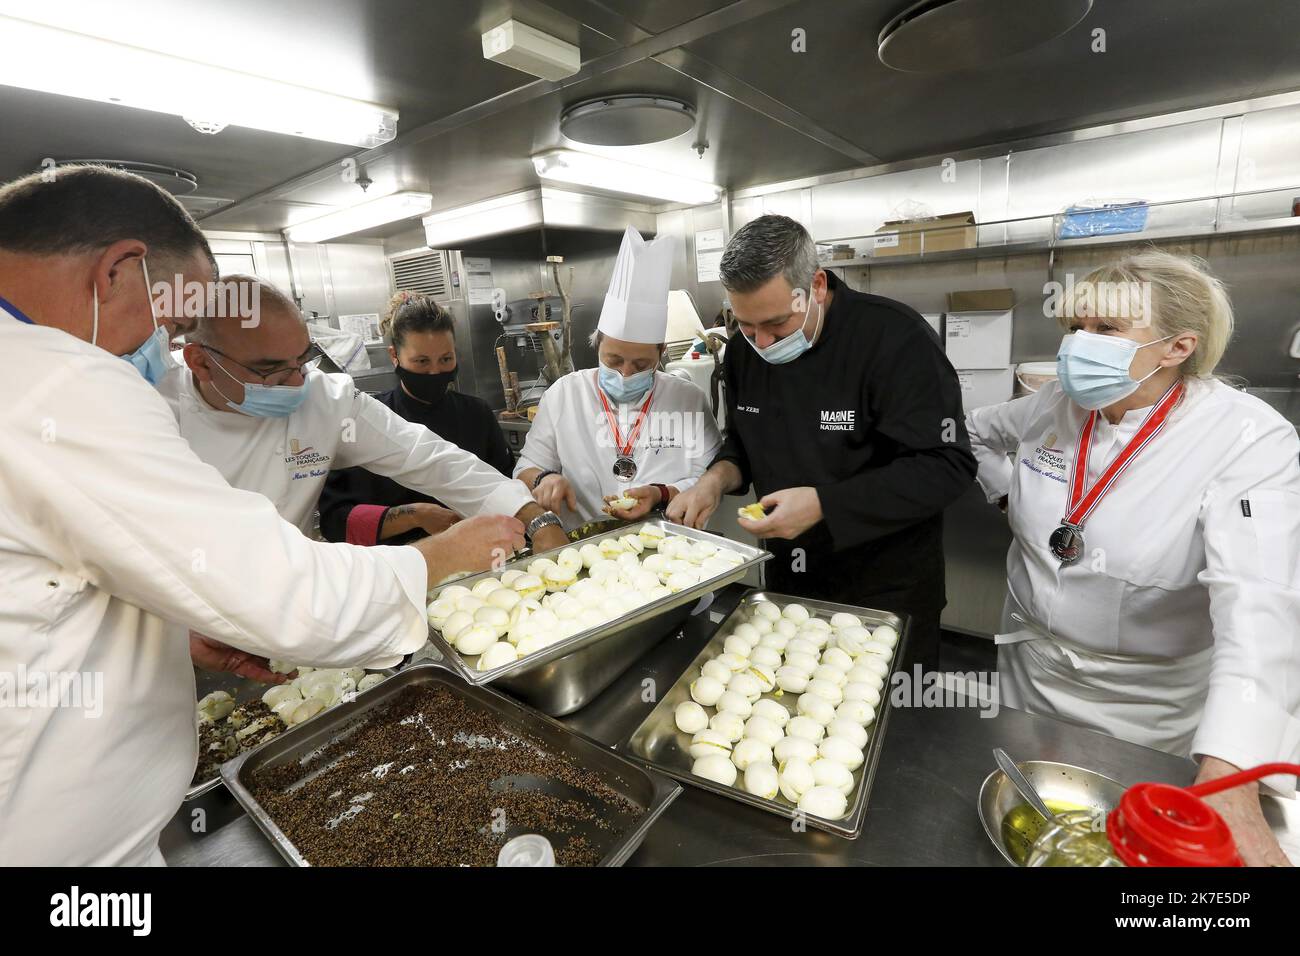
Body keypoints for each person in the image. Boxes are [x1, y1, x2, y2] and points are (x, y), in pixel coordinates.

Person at [0, 166, 525, 865]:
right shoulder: (64, 383)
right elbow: (281, 593)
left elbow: (40, 593)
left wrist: (171, 631)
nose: (292, 384)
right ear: (119, 272)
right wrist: (440, 558)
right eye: (175, 321)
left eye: (299, 363)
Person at [965, 250, 1300, 866]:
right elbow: (975, 432)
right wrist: (1008, 492)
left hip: (1145, 712)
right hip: (1026, 677)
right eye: (1075, 328)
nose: (1077, 347)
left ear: (1177, 347)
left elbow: (1261, 609)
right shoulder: (1055, 404)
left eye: (1106, 331)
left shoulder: (1247, 439)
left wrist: (1231, 779)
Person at [667, 215, 976, 668]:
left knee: (888, 720)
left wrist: (826, 505)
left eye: (775, 325)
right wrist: (714, 479)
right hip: (789, 582)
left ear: (814, 285)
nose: (763, 344)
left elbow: (947, 465)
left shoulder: (894, 339)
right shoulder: (742, 354)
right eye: (747, 327)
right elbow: (744, 443)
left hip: (885, 590)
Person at [157, 276, 568, 554]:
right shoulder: (152, 409)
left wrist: (531, 515)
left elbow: (427, 456)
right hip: (185, 615)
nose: (297, 383)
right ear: (201, 363)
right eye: (271, 370)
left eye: (302, 361)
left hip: (292, 588)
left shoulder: (326, 399)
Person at [514, 226, 723, 529]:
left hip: (670, 545)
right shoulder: (564, 395)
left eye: (640, 364)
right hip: (584, 547)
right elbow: (526, 467)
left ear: (661, 352)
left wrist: (661, 493)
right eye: (613, 360)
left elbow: (710, 476)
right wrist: (545, 478)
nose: (625, 374)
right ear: (597, 344)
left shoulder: (687, 398)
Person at [316, 291, 513, 545]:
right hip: (393, 566)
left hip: (475, 560)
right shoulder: (364, 423)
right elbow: (336, 521)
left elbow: (504, 483)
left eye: (446, 359)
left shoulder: (477, 414)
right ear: (394, 356)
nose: (435, 371)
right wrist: (416, 516)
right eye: (421, 361)